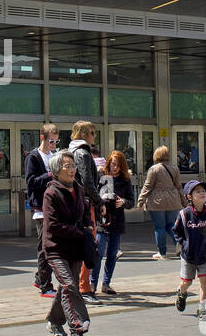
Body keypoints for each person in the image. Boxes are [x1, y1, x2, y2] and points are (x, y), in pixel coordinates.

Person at [40, 149, 92, 336]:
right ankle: (77, 331)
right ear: (56, 170)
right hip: (56, 248)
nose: (72, 170)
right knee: (70, 285)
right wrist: (79, 231)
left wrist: (87, 226)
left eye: (73, 166)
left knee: (65, 287)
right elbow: (52, 225)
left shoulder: (78, 189)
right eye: (67, 166)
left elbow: (85, 212)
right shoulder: (51, 193)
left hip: (75, 247)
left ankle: (54, 321)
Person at [67, 121, 103, 303]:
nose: (94, 136)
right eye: (92, 132)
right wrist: (99, 201)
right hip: (85, 204)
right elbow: (88, 180)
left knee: (80, 244)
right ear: (84, 134)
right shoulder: (82, 152)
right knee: (89, 242)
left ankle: (78, 285)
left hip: (75, 202)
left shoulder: (70, 151)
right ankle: (84, 287)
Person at [172, 180, 206, 321]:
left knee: (204, 281)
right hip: (188, 255)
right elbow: (176, 231)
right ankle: (181, 293)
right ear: (190, 196)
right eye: (197, 191)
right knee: (187, 282)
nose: (202, 193)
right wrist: (183, 244)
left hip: (204, 254)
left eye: (203, 191)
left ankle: (202, 308)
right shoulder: (184, 214)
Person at [24, 123, 58, 296]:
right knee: (45, 247)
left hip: (53, 206)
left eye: (56, 142)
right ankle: (45, 285)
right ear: (43, 138)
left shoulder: (54, 156)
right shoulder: (33, 157)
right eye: (51, 141)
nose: (53, 145)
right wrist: (50, 175)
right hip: (40, 207)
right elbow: (31, 182)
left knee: (49, 245)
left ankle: (40, 278)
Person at [94, 150, 134, 295]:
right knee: (98, 252)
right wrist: (101, 200)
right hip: (102, 219)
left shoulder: (125, 180)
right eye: (112, 164)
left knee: (112, 253)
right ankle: (92, 284)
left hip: (117, 219)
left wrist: (122, 202)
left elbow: (131, 201)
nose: (114, 167)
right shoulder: (101, 177)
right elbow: (94, 195)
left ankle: (106, 283)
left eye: (117, 165)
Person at [136, 144, 185, 260]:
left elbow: (147, 186)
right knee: (171, 225)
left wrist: (140, 201)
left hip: (157, 201)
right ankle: (179, 243)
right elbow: (179, 186)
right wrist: (184, 201)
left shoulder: (154, 169)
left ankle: (162, 252)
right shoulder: (175, 168)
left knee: (159, 227)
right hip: (173, 200)